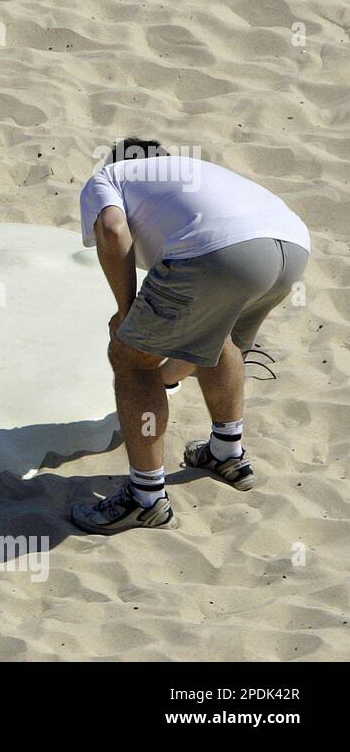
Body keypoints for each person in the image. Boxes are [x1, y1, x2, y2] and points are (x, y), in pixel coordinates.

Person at [70, 138, 311, 534]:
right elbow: (198, 347)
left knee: (131, 360)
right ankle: (226, 454)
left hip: (219, 249)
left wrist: (128, 316)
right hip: (292, 245)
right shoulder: (195, 178)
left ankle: (146, 500)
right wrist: (167, 375)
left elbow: (113, 231)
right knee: (220, 341)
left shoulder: (110, 175)